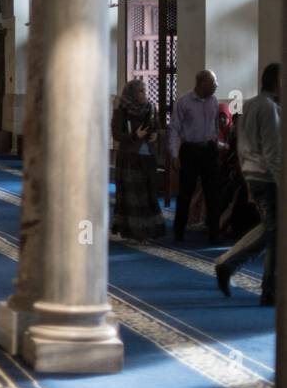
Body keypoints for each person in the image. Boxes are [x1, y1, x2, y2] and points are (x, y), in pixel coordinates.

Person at [215, 63, 280, 305]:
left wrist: (247, 177)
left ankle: (227, 264)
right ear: (277, 82)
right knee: (276, 234)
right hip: (269, 178)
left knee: (271, 230)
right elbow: (273, 151)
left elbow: (241, 147)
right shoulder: (269, 108)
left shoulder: (250, 105)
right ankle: (269, 289)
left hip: (253, 175)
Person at [168, 68, 224, 244]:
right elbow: (174, 129)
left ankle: (214, 233)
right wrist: (174, 154)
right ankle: (179, 232)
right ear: (202, 83)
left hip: (209, 151)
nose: (216, 86)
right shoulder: (184, 102)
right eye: (213, 83)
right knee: (186, 193)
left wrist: (217, 144)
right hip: (190, 151)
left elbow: (215, 127)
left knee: (213, 193)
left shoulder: (214, 101)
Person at [111, 78, 165, 240]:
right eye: (141, 91)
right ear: (133, 93)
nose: (144, 94)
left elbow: (156, 126)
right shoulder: (121, 110)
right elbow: (117, 135)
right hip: (129, 157)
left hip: (147, 156)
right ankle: (133, 230)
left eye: (144, 90)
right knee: (133, 195)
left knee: (147, 194)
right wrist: (135, 135)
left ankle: (149, 228)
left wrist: (155, 134)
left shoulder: (150, 107)